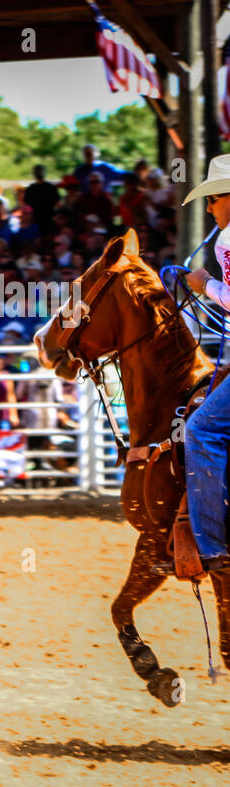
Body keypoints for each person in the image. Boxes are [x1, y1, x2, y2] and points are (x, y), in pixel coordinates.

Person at [176, 155, 230, 574]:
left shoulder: (225, 241)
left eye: (211, 200)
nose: (209, 208)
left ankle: (212, 545)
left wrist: (204, 284)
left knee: (200, 430)